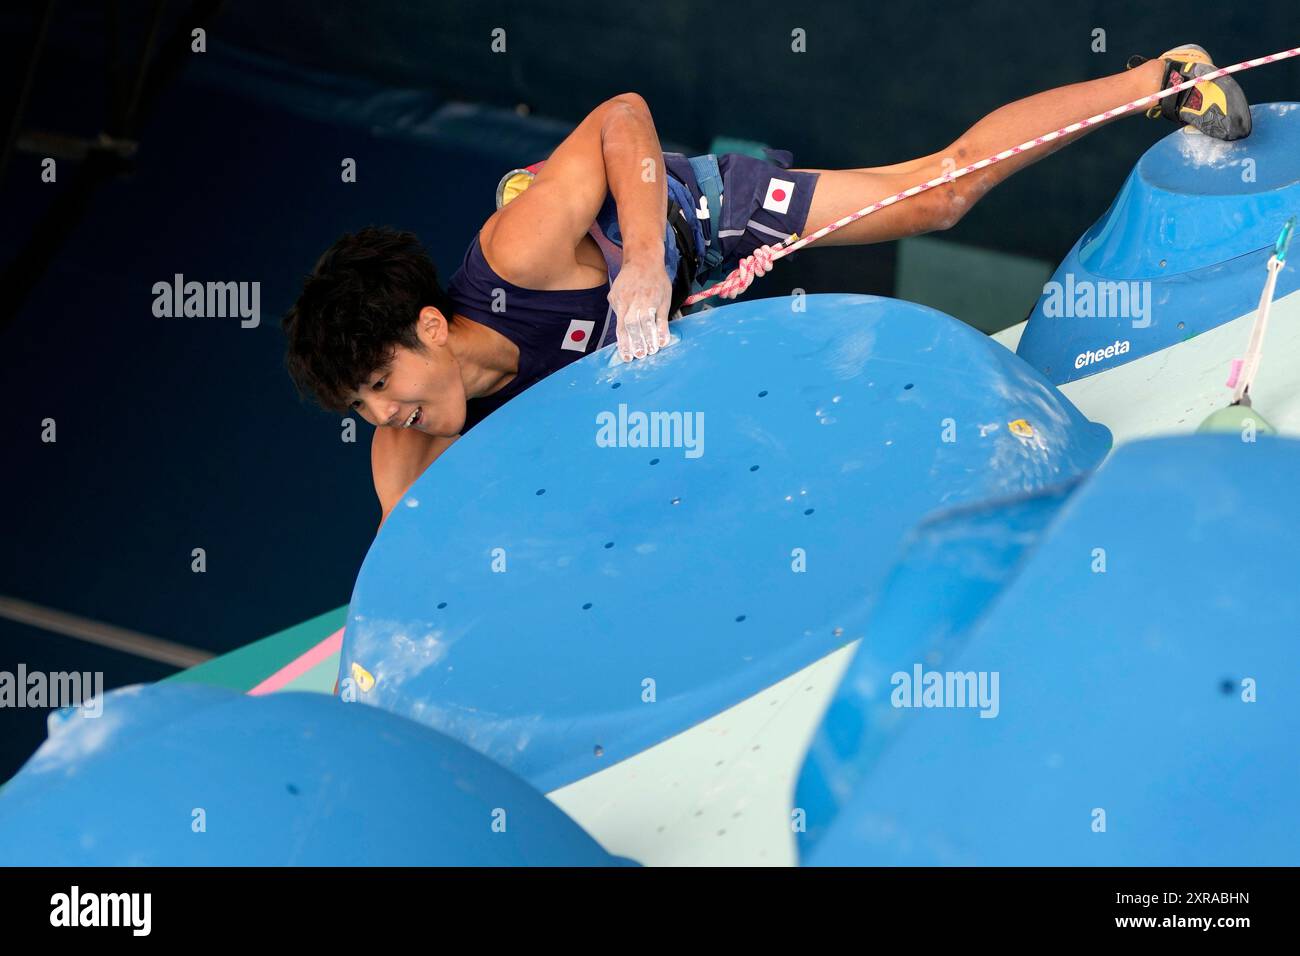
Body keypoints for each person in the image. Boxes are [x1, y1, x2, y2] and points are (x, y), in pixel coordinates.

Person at [282, 44, 1250, 522]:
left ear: (430, 325)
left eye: (380, 381)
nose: (384, 414)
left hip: (690, 222)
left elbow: (623, 114)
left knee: (936, 197)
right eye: (362, 404)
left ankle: (1157, 79)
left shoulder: (514, 256)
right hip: (665, 353)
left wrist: (650, 266)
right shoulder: (403, 468)